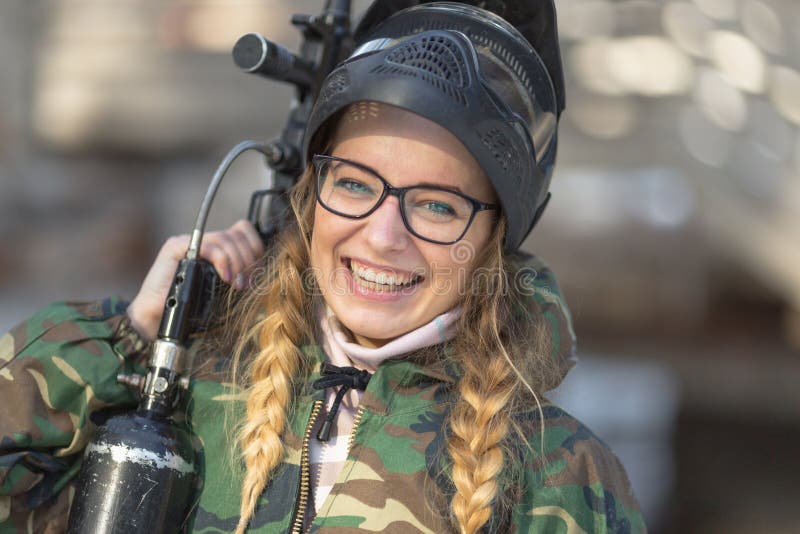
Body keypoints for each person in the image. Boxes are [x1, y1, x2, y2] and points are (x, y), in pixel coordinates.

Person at [0, 2, 646, 532]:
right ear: (311, 195)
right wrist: (135, 341)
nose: (384, 235)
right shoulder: (186, 404)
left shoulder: (559, 476)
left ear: (492, 238)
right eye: (357, 185)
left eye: (437, 205)